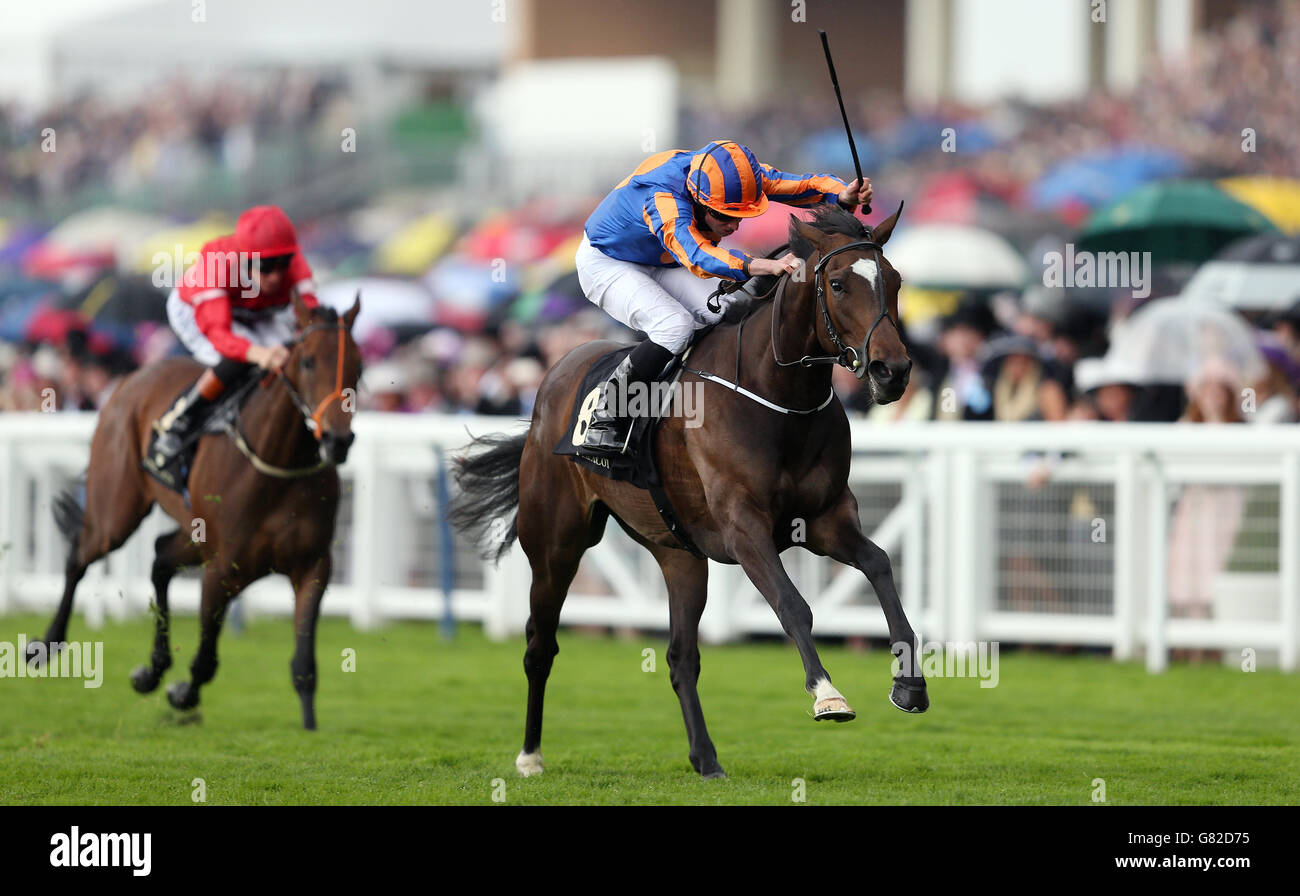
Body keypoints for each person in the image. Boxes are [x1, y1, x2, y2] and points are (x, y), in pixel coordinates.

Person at [574, 140, 872, 454]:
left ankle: (699, 400)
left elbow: (795, 185)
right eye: (725, 217)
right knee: (674, 326)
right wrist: (761, 265)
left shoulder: (734, 178)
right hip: (609, 262)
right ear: (700, 201)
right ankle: (608, 415)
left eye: (741, 217)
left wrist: (840, 193)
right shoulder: (663, 199)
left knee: (722, 311)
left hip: (660, 256)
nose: (733, 226)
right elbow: (697, 256)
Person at [143, 205, 319, 489]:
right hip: (197, 311)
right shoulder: (217, 264)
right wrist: (259, 354)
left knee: (288, 356)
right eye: (265, 266)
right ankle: (175, 425)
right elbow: (222, 337)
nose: (276, 276)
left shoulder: (296, 266)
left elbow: (312, 318)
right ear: (245, 260)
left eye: (283, 263)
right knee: (239, 360)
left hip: (256, 312)